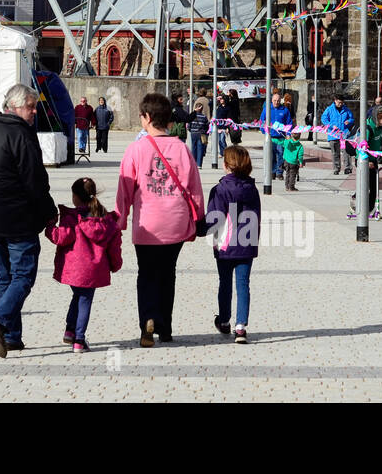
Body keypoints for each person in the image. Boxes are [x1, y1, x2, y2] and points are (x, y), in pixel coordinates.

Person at [0, 83, 58, 359]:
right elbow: (35, 181)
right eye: (30, 107)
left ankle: (11, 336)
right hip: (19, 221)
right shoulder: (22, 135)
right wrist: (49, 212)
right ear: (14, 107)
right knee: (23, 277)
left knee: (5, 275)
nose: (33, 112)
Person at [116, 92, 204, 347]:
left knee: (146, 274)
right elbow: (194, 187)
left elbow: (125, 190)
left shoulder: (135, 149)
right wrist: (198, 218)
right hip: (174, 222)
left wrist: (120, 220)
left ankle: (147, 323)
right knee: (168, 274)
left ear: (147, 118)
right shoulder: (182, 149)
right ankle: (165, 326)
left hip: (147, 224)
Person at [45, 176, 122, 353]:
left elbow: (60, 237)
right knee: (84, 299)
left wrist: (49, 226)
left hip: (74, 269)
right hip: (94, 270)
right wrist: (115, 264)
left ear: (75, 197)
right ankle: (76, 337)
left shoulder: (72, 218)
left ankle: (74, 334)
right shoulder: (105, 220)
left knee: (79, 297)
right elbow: (114, 245)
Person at [206, 145, 261, 344]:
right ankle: (241, 327)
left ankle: (224, 321)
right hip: (246, 243)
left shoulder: (219, 189)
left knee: (225, 283)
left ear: (227, 165)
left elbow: (215, 218)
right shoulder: (252, 189)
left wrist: (197, 229)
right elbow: (256, 217)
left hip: (225, 244)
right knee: (243, 284)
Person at [351, 106, 382, 220]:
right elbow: (360, 147)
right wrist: (366, 161)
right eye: (380, 118)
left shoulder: (381, 128)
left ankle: (368, 210)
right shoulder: (367, 128)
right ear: (375, 117)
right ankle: (356, 200)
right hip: (363, 159)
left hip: (373, 160)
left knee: (374, 187)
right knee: (365, 186)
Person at [321, 95, 355, 176]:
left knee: (346, 152)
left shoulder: (346, 109)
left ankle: (347, 168)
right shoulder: (329, 109)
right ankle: (336, 168)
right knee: (335, 153)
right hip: (333, 134)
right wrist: (332, 125)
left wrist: (349, 121)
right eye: (339, 102)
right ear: (335, 100)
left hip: (344, 134)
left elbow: (352, 118)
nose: (341, 104)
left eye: (342, 103)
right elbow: (324, 119)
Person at [187, 100, 210, 169]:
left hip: (193, 133)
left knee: (193, 148)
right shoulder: (204, 117)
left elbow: (189, 125)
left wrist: (191, 130)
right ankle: (199, 164)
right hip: (201, 134)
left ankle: (193, 163)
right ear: (202, 109)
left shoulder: (192, 116)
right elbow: (207, 127)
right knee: (200, 149)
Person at [213, 92, 233, 159]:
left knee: (222, 140)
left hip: (224, 126)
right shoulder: (219, 107)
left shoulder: (228, 108)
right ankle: (222, 153)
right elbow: (210, 104)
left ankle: (227, 153)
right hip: (218, 126)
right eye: (220, 99)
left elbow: (229, 118)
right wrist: (216, 99)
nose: (221, 100)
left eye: (222, 99)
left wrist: (227, 127)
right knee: (219, 141)